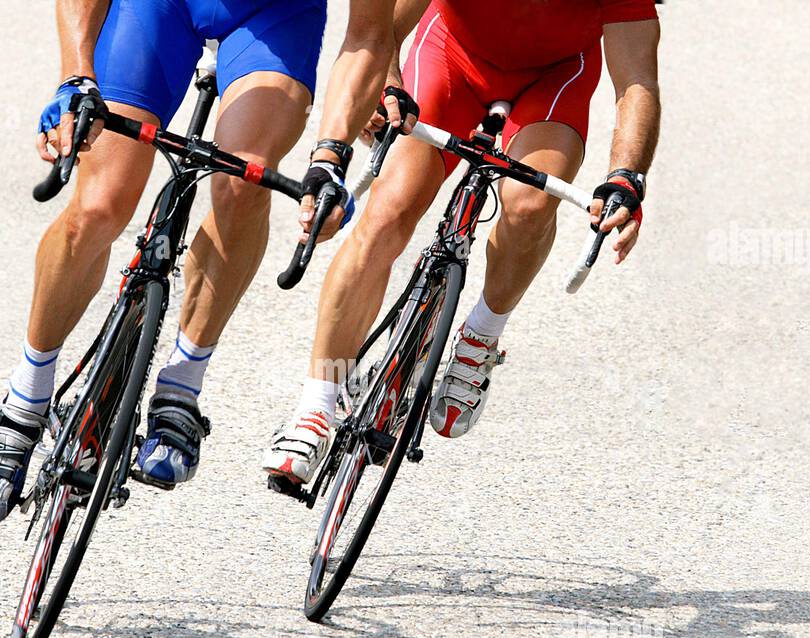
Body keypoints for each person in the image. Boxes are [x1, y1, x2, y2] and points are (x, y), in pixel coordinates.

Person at [0, 0, 394, 524]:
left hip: (272, 16)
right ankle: (25, 399)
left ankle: (182, 385)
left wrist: (330, 158)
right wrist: (76, 73)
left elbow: (370, 32)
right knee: (101, 206)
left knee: (245, 179)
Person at [264, 0, 661, 483]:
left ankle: (482, 334)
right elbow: (383, 27)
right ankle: (316, 405)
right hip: (451, 53)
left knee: (530, 204)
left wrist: (626, 177)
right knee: (390, 209)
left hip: (556, 78)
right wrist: (386, 85)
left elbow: (637, 81)